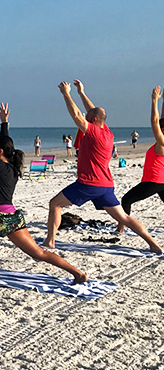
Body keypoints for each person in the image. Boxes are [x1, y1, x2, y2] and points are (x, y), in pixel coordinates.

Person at [0, 102, 87, 284]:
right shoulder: (11, 167)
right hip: (14, 219)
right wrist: (4, 122)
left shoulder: (1, 168)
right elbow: (5, 145)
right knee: (39, 253)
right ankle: (78, 273)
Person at [43, 80, 162, 253]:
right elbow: (93, 111)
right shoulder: (106, 131)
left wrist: (66, 94)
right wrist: (81, 92)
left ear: (94, 120)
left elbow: (77, 115)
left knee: (55, 204)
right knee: (124, 217)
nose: (85, 119)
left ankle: (50, 241)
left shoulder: (94, 132)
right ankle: (153, 244)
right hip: (105, 186)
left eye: (88, 118)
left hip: (88, 184)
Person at [117, 87, 164, 234]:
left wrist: (154, 101)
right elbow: (160, 120)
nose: (160, 128)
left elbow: (155, 121)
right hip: (162, 181)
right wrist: (163, 102)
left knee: (126, 200)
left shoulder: (162, 142)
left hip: (153, 181)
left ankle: (120, 229)